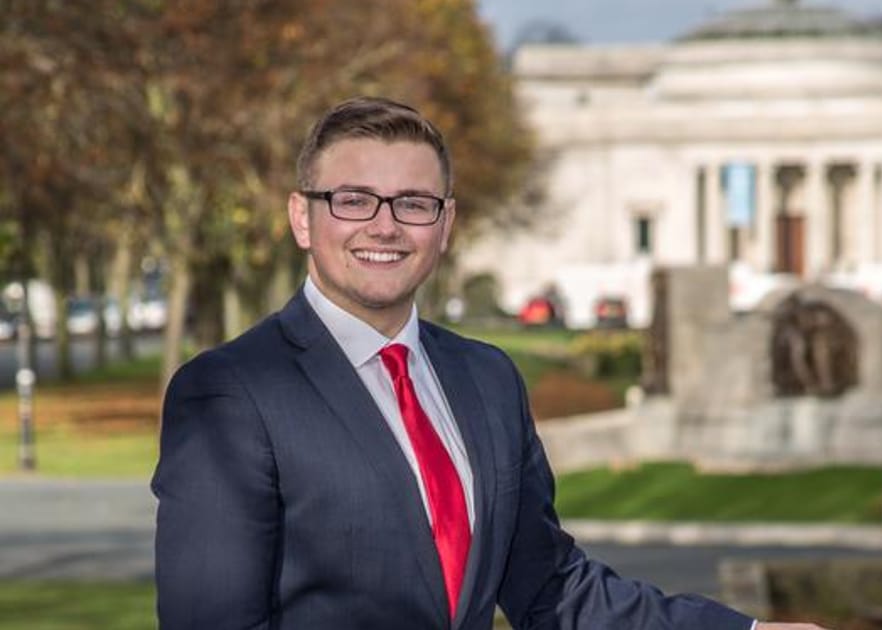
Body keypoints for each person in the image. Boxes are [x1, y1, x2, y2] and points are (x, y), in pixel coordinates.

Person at [153, 96, 830, 630]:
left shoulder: (487, 379)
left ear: (445, 225)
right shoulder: (231, 392)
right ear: (303, 218)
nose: (384, 226)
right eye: (353, 200)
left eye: (413, 204)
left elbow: (551, 591)